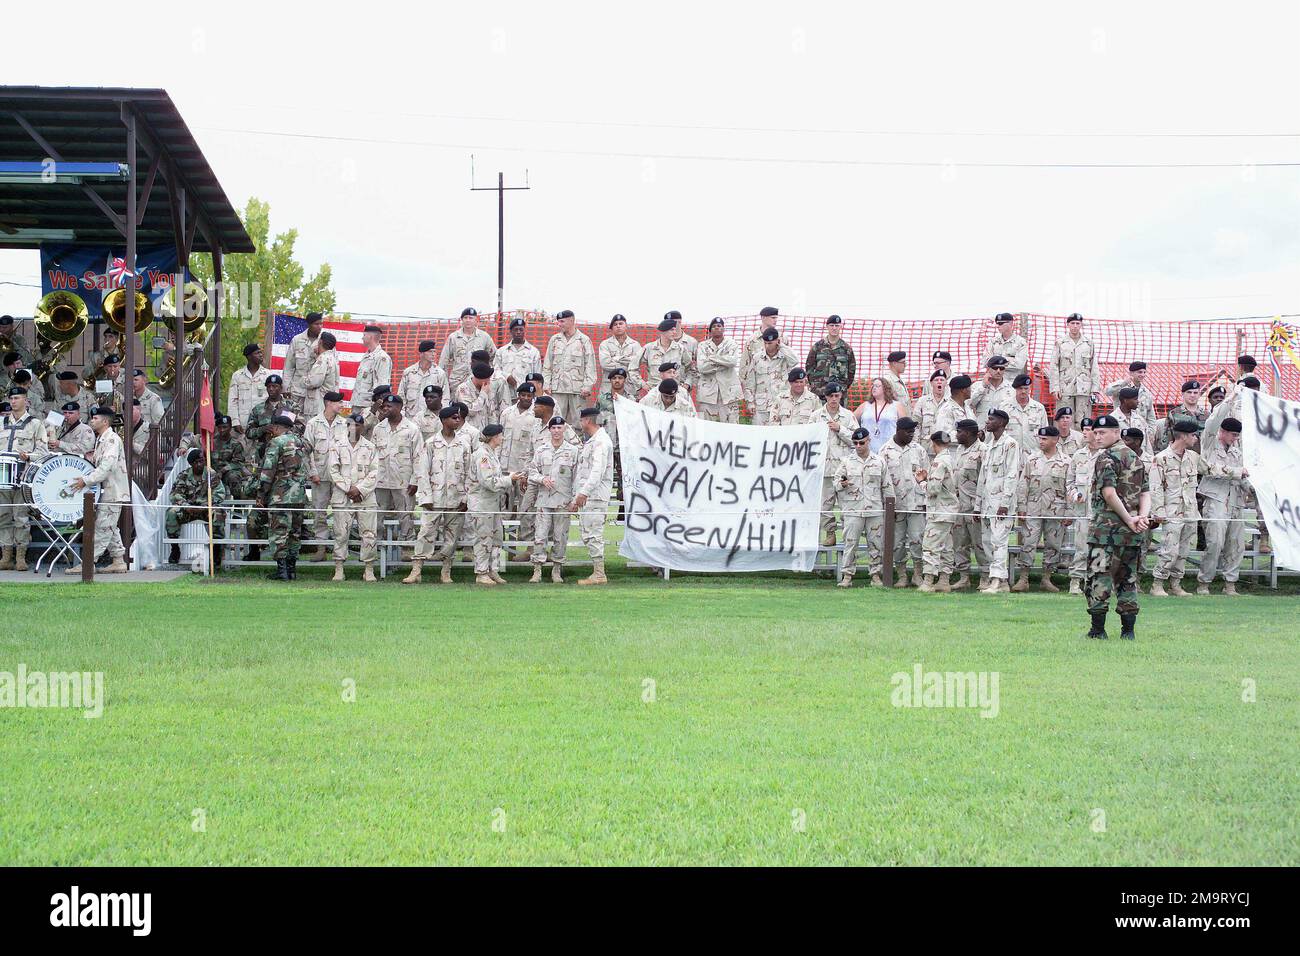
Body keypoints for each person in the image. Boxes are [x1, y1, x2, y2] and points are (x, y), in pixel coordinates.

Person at [1084, 414, 1151, 640]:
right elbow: (1145, 493)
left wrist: (1131, 518)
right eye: (1096, 432)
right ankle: (1128, 631)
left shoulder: (1106, 458)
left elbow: (1109, 493)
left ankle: (1097, 630)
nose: (1098, 436)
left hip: (1106, 532)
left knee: (1098, 578)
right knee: (1127, 581)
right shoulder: (1135, 457)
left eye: (1103, 432)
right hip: (1130, 535)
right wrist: (1140, 517)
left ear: (1116, 432)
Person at [406, 405, 472, 585]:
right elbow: (422, 472)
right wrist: (425, 498)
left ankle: (446, 571)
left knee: (452, 537)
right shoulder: (431, 443)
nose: (457, 421)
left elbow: (469, 474)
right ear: (444, 420)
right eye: (454, 418)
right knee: (425, 533)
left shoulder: (464, 445)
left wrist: (465, 499)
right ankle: (416, 570)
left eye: (458, 418)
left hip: (456, 499)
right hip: (433, 499)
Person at [64, 406, 128, 574]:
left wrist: (86, 480)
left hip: (112, 491)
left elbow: (106, 467)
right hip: (106, 491)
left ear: (105, 421)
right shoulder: (102, 439)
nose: (92, 421)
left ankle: (88, 563)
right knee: (110, 527)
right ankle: (118, 561)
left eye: (95, 418)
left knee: (101, 527)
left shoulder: (112, 440)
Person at [1148, 419, 1202, 597]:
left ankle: (1176, 584)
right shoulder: (1161, 458)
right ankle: (1158, 583)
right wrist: (1158, 512)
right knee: (1169, 549)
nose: (1196, 438)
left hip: (1190, 511)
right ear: (1184, 436)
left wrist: (1239, 471)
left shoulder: (1193, 457)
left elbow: (1211, 469)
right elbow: (1156, 488)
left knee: (1184, 550)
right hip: (1172, 511)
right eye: (1193, 435)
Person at [1014, 425, 1071, 591]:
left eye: (1045, 439)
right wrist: (1021, 506)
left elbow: (1070, 488)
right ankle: (1023, 579)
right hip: (1033, 508)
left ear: (1055, 440)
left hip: (1056, 511)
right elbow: (1023, 483)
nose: (1041, 441)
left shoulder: (1066, 462)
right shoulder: (1032, 460)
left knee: (1053, 544)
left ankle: (1047, 578)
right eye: (1040, 438)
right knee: (1028, 542)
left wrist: (1069, 511)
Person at [326, 412, 380, 582]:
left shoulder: (370, 447)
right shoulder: (337, 446)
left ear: (363, 427)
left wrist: (360, 489)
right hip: (343, 496)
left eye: (358, 425)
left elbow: (375, 472)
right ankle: (339, 568)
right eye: (350, 425)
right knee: (341, 533)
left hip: (365, 496)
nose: (354, 428)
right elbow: (332, 470)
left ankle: (369, 568)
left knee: (369, 533)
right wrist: (348, 488)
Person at [1197, 417, 1249, 595]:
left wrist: (1257, 490)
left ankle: (1230, 583)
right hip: (1216, 499)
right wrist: (1236, 473)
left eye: (1237, 435)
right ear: (1223, 431)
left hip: (1235, 500)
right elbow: (1210, 470)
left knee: (1236, 544)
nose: (1235, 438)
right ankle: (1204, 582)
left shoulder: (1237, 453)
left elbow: (1243, 478)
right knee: (1215, 542)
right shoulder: (1210, 446)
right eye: (1233, 435)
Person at [256, 414, 310, 581]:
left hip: (281, 496)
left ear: (277, 427)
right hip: (299, 497)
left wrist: (261, 494)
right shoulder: (302, 443)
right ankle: (292, 570)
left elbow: (268, 470)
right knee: (294, 533)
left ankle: (282, 572)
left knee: (279, 533)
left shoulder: (276, 442)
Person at [469, 423, 524, 586]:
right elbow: (488, 482)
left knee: (497, 538)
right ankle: (481, 572)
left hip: (492, 505)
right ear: (494, 437)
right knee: (483, 539)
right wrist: (510, 479)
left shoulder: (492, 453)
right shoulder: (482, 455)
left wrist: (510, 476)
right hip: (482, 505)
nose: (502, 438)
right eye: (500, 435)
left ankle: (493, 570)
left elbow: (495, 476)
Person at [0, 386, 49, 570]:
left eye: (17, 398)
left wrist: (28, 456)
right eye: (11, 398)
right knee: (3, 516)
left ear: (26, 401)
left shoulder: (35, 424)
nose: (13, 401)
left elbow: (43, 452)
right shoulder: (1, 422)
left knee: (20, 516)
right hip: (3, 476)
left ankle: (21, 556)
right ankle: (6, 556)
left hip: (22, 476)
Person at [528, 415, 580, 583]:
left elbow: (577, 478)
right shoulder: (541, 450)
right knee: (540, 535)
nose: (556, 431)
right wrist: (542, 479)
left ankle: (557, 569)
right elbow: (532, 471)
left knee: (560, 536)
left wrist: (574, 500)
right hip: (544, 500)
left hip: (563, 501)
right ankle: (537, 569)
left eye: (559, 428)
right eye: (553, 428)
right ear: (549, 430)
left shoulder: (572, 451)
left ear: (564, 429)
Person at [834, 426, 888, 588]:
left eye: (861, 442)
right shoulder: (846, 462)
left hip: (874, 509)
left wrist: (889, 509)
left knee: (876, 544)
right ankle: (847, 576)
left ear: (868, 441)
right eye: (855, 443)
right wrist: (842, 484)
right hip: (853, 509)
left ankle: (875, 575)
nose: (858, 446)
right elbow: (835, 484)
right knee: (850, 544)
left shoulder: (879, 462)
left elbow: (886, 487)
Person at [372, 393, 423, 553]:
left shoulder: (412, 429)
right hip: (381, 480)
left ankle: (406, 548)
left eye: (390, 406)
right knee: (377, 514)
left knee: (405, 515)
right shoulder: (379, 428)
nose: (386, 409)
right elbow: (372, 455)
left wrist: (415, 480)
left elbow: (419, 456)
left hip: (404, 481)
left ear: (400, 407)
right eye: (384, 406)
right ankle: (376, 547)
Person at [977, 408, 1021, 594]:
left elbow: (1011, 475)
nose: (987, 422)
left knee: (999, 541)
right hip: (988, 503)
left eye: (991, 419)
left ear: (1002, 423)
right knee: (988, 541)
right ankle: (1000, 581)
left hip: (1001, 505)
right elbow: (983, 477)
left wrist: (1005, 502)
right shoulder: (989, 445)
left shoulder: (1010, 444)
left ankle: (996, 580)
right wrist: (977, 506)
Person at [571, 407, 615, 585]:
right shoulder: (592, 441)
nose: (580, 424)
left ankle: (599, 573)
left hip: (595, 496)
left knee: (594, 534)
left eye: (582, 420)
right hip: (589, 496)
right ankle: (597, 571)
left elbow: (597, 471)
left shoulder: (601, 442)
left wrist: (583, 493)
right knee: (588, 533)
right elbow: (583, 472)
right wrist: (577, 496)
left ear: (587, 420)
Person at [302, 390, 348, 560]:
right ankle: (321, 547)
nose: (341, 405)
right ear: (329, 403)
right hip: (319, 477)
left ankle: (339, 549)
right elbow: (307, 451)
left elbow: (349, 451)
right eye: (339, 403)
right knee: (319, 512)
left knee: (340, 513)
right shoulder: (313, 424)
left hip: (339, 479)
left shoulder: (345, 424)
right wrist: (312, 473)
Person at [880, 417, 926, 586]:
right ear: (898, 430)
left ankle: (917, 574)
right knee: (897, 542)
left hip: (916, 503)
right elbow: (882, 481)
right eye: (908, 432)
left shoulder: (919, 450)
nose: (911, 435)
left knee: (917, 539)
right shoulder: (885, 451)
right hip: (896, 506)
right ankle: (901, 575)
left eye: (913, 432)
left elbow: (925, 475)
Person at [165, 449, 231, 565]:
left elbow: (220, 493)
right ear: (191, 464)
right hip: (188, 509)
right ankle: (175, 548)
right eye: (197, 462)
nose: (200, 464)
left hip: (206, 509)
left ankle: (216, 550)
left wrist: (207, 505)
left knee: (219, 512)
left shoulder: (211, 474)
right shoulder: (184, 475)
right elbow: (175, 494)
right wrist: (185, 505)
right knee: (171, 512)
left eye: (202, 461)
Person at [811, 381, 857, 545]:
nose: (834, 399)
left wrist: (840, 429)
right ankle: (830, 533)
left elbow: (856, 441)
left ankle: (847, 536)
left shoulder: (848, 415)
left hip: (844, 468)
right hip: (824, 468)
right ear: (825, 397)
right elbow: (810, 440)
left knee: (846, 505)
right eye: (831, 396)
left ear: (841, 396)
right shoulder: (816, 416)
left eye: (837, 396)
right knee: (825, 505)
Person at [916, 430, 960, 593]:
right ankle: (944, 580)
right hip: (949, 510)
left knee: (931, 545)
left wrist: (921, 482)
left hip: (939, 510)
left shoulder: (939, 462)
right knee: (947, 547)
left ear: (933, 444)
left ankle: (928, 581)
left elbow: (933, 489)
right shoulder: (951, 459)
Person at [502, 383, 541, 552]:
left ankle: (526, 548)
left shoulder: (535, 415)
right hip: (505, 469)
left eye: (529, 396)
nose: (526, 398)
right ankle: (510, 548)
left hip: (524, 471)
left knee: (525, 511)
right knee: (506, 511)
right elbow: (500, 439)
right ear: (518, 395)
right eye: (523, 395)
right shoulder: (506, 413)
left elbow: (535, 447)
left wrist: (528, 471)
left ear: (533, 397)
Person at [951, 419, 987, 590]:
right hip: (959, 506)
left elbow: (986, 481)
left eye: (960, 432)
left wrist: (980, 507)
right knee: (959, 543)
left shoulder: (983, 451)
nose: (957, 435)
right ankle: (964, 576)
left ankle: (985, 577)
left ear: (970, 433)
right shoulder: (959, 450)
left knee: (980, 544)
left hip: (975, 507)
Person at [542, 309, 596, 422]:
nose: (559, 324)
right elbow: (547, 364)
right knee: (556, 420)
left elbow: (590, 365)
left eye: (562, 321)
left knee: (579, 422)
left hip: (577, 389)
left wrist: (587, 386)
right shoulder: (555, 340)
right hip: (558, 389)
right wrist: (546, 383)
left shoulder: (584, 340)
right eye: (558, 322)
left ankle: (578, 440)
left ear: (571, 321)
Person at [1066, 418, 1099, 594]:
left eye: (1088, 429)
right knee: (1081, 547)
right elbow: (1069, 482)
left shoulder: (1105, 455)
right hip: (1082, 510)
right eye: (1083, 429)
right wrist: (1075, 495)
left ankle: (1095, 582)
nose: (1085, 433)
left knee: (1099, 548)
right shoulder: (1078, 455)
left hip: (1101, 511)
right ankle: (1076, 581)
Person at [1047, 313, 1100, 419]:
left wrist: (1095, 389)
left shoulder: (1089, 343)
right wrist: (1055, 388)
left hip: (1084, 388)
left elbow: (1094, 366)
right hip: (1065, 388)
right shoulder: (1060, 343)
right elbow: (1054, 366)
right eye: (1072, 323)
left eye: (1077, 323)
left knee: (1083, 420)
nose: (1075, 326)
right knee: (1064, 419)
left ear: (1081, 325)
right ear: (1068, 325)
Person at [742, 327, 798, 425]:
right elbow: (750, 382)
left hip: (781, 404)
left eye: (770, 343)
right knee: (760, 436)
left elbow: (795, 361)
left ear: (777, 341)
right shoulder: (757, 358)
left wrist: (782, 347)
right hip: (762, 406)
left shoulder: (784, 356)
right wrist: (750, 402)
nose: (768, 346)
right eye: (766, 343)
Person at [595, 370, 630, 521]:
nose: (617, 381)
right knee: (603, 477)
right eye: (614, 378)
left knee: (625, 479)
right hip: (607, 444)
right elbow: (595, 422)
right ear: (610, 381)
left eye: (620, 378)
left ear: (624, 380)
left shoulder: (631, 399)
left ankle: (623, 512)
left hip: (625, 446)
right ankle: (599, 513)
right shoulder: (602, 399)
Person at [695, 317, 742, 422]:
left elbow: (733, 362)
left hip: (728, 393)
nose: (717, 328)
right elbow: (702, 367)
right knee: (705, 426)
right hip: (707, 393)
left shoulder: (731, 344)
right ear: (710, 330)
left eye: (719, 326)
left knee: (731, 427)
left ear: (723, 329)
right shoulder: (702, 346)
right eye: (714, 326)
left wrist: (712, 358)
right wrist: (724, 363)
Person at [440, 308, 496, 394]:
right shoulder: (453, 337)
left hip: (478, 381)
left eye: (471, 318)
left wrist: (488, 375)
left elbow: (494, 357)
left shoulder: (484, 337)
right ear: (461, 320)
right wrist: (444, 383)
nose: (468, 320)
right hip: (457, 382)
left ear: (476, 320)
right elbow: (444, 361)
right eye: (465, 318)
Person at [805, 314, 856, 399]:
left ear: (841, 327)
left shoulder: (846, 349)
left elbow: (851, 372)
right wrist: (815, 386)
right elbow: (809, 368)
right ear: (827, 326)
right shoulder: (817, 347)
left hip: (839, 394)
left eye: (837, 325)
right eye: (831, 325)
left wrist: (843, 387)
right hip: (820, 393)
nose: (834, 328)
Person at [853, 377, 906, 454]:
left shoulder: (896, 406)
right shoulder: (865, 405)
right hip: (869, 451)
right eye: (873, 386)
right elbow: (850, 420)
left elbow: (905, 427)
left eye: (877, 386)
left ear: (885, 389)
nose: (874, 388)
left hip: (890, 451)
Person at [1105, 362, 1157, 439]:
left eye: (1144, 372)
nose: (1142, 375)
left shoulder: (1146, 392)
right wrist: (1124, 383)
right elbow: (1107, 391)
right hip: (1122, 427)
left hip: (1140, 430)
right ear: (1131, 373)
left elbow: (1151, 416)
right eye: (1139, 372)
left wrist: (1151, 433)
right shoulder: (1122, 386)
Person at [640, 317, 692, 394]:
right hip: (654, 392)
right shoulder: (649, 348)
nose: (675, 332)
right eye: (671, 330)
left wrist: (687, 384)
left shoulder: (680, 349)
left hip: (675, 392)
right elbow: (632, 368)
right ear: (662, 332)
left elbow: (691, 369)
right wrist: (642, 384)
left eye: (675, 329)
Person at [228, 342, 271, 435]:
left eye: (261, 352)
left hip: (262, 422)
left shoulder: (268, 374)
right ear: (249, 357)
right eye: (257, 353)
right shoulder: (238, 376)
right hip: (243, 423)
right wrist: (235, 421)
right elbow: (232, 400)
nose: (261, 355)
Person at [597, 314, 644, 397]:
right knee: (608, 409)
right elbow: (605, 364)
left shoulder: (635, 345)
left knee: (629, 409)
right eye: (615, 324)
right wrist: (627, 366)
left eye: (621, 323)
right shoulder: (605, 344)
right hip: (609, 388)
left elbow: (638, 363)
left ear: (626, 326)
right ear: (612, 328)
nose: (618, 326)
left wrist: (616, 359)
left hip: (629, 387)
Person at [456, 360, 511, 429]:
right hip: (470, 432)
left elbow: (491, 411)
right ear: (478, 378)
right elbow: (470, 411)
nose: (489, 381)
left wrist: (494, 430)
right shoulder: (463, 389)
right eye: (487, 379)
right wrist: (483, 394)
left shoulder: (487, 387)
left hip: (486, 431)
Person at [283, 312, 323, 404]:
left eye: (321, 324)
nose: (319, 326)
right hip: (297, 391)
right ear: (309, 324)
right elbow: (289, 366)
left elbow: (333, 367)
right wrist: (286, 387)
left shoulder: (325, 341)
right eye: (316, 324)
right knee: (293, 417)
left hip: (317, 393)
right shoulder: (297, 340)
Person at [495, 317, 542, 392]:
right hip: (505, 393)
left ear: (524, 331)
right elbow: (496, 370)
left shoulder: (533, 352)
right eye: (515, 329)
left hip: (526, 395)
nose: (518, 332)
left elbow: (537, 375)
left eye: (521, 329)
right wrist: (507, 376)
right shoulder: (501, 351)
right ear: (511, 331)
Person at [1158, 381, 1207, 452]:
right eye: (1189, 392)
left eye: (1195, 393)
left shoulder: (1207, 415)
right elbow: (1167, 438)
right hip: (1181, 456)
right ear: (1183, 394)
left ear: (1199, 394)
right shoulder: (1174, 414)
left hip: (1202, 456)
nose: (1192, 395)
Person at [1006, 374, 1048, 452]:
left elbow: (1045, 433)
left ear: (1030, 388)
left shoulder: (1039, 408)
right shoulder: (1005, 407)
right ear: (1015, 389)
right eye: (1020, 388)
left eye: (1026, 388)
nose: (1023, 391)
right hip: (1011, 454)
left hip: (1033, 455)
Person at [351, 325, 392, 406]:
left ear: (370, 337)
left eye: (364, 335)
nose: (362, 338)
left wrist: (376, 408)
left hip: (369, 406)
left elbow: (382, 386)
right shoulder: (366, 356)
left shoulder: (382, 358)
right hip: (357, 403)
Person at [982, 312, 1029, 381]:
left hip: (1012, 383)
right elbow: (985, 362)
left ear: (1010, 324)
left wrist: (994, 361)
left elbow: (1019, 364)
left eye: (1001, 323)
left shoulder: (1021, 342)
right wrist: (1009, 359)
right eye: (997, 323)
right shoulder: (993, 341)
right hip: (994, 382)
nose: (998, 326)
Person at [913, 370, 949, 454]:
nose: (939, 382)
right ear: (931, 383)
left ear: (946, 383)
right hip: (926, 448)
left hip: (944, 448)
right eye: (936, 380)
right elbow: (916, 425)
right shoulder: (922, 401)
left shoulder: (951, 403)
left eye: (942, 380)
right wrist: (915, 446)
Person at [970, 356, 1014, 421]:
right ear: (988, 369)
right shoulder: (977, 386)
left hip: (1002, 429)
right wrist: (983, 386)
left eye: (1001, 368)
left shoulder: (1012, 388)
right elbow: (970, 404)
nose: (998, 371)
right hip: (983, 428)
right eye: (995, 368)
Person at [934, 374, 975, 439]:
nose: (971, 390)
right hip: (953, 448)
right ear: (963, 390)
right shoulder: (947, 409)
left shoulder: (967, 407)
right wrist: (967, 435)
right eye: (969, 388)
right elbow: (944, 435)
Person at [880, 351, 912, 417]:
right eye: (903, 362)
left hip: (904, 422)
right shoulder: (887, 381)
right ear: (894, 363)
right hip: (895, 423)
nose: (905, 365)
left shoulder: (899, 381)